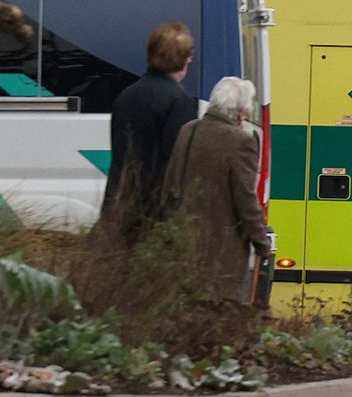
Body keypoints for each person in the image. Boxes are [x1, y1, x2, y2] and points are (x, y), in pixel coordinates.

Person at [165, 77, 269, 304]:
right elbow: (245, 199)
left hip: (184, 246)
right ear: (241, 112)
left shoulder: (188, 130)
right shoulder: (242, 141)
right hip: (223, 253)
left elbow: (171, 182)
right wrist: (261, 243)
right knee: (219, 316)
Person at [98, 22, 199, 241]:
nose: (190, 59)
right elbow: (176, 161)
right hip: (156, 215)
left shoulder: (127, 95)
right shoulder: (180, 102)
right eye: (188, 55)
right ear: (182, 59)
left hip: (119, 206)